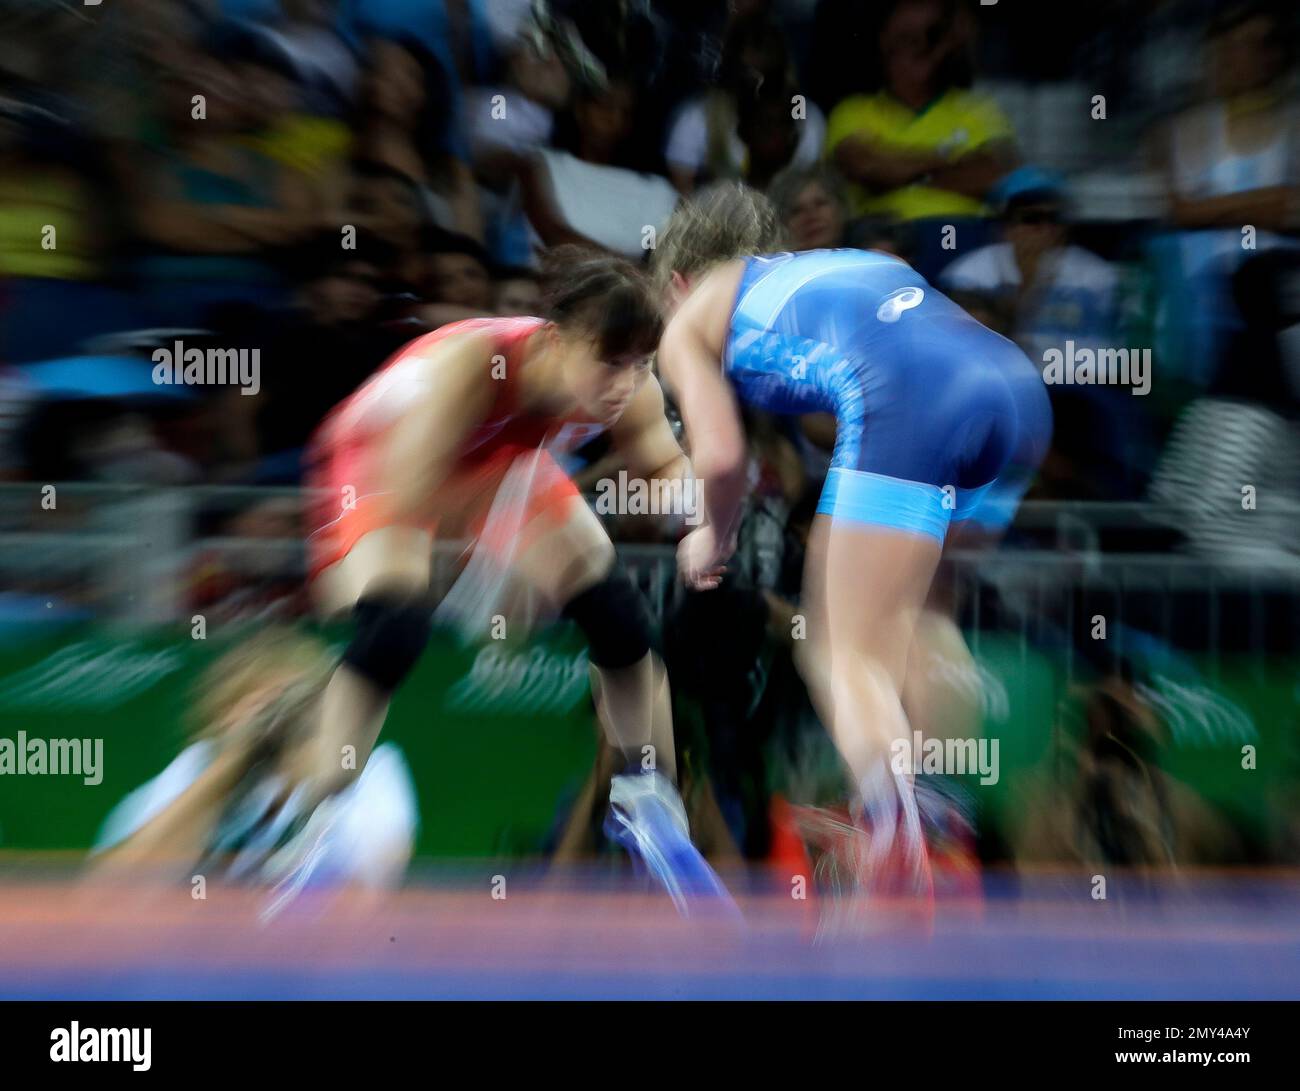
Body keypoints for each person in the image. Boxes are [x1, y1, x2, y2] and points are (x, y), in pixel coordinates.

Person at [297, 250, 730, 914]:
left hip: (502, 460)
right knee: (396, 623)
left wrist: (697, 520)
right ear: (556, 342)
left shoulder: (631, 384)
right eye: (610, 362)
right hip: (382, 455)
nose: (625, 382)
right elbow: (414, 498)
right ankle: (323, 815)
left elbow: (667, 464)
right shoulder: (468, 369)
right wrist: (490, 578)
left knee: (614, 612)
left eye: (641, 363)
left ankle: (646, 795)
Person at [652, 183, 1051, 903]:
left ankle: (893, 827)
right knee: (925, 615)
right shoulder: (819, 267)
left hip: (912, 398)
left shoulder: (691, 316)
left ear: (677, 282)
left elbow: (718, 458)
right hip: (1014, 394)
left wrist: (712, 537)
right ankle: (932, 811)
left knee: (836, 648)